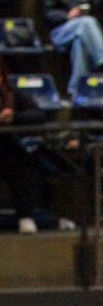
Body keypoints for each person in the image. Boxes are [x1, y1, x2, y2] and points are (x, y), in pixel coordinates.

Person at [0, 55, 46, 234]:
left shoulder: (11, 94)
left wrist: (13, 118)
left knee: (24, 163)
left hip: (7, 150)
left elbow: (38, 114)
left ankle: (25, 217)